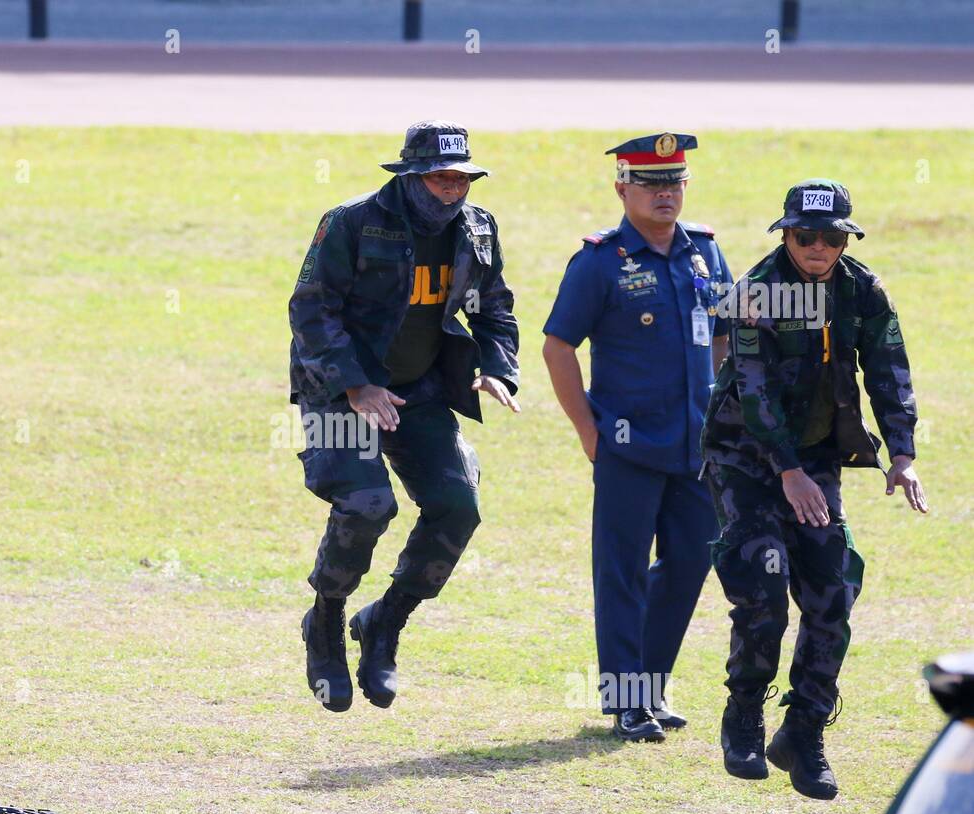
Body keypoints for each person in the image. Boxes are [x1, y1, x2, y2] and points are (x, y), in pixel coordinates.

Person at [702, 179, 926, 800]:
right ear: (786, 234)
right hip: (745, 457)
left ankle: (803, 727)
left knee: (834, 591)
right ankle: (744, 713)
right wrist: (787, 471)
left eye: (833, 237)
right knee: (763, 585)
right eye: (807, 236)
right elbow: (753, 390)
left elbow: (888, 368)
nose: (820, 248)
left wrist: (901, 454)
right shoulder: (755, 294)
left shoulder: (862, 289)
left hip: (816, 459)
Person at [287, 121, 520, 711]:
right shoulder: (351, 222)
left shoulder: (477, 228)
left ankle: (385, 623)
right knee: (369, 504)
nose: (452, 190)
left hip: (416, 391)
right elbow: (311, 310)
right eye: (441, 179)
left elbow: (493, 306)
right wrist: (357, 385)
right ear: (411, 177)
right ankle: (327, 620)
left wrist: (496, 366)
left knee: (457, 506)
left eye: (462, 179)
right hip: (340, 392)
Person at [543, 133, 731, 742]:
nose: (665, 195)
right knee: (621, 571)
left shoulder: (705, 252)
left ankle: (649, 687)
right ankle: (626, 701)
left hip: (698, 447)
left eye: (674, 182)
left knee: (688, 565)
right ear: (622, 186)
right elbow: (557, 346)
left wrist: (725, 413)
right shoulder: (599, 261)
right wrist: (587, 429)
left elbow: (724, 333)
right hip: (627, 445)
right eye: (651, 184)